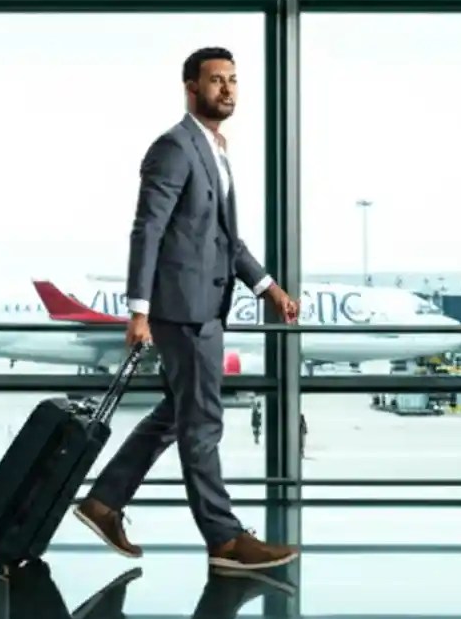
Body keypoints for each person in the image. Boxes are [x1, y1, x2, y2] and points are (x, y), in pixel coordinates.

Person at [73, 46, 301, 571]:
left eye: (233, 80)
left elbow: (227, 241)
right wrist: (138, 311)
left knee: (177, 414)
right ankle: (224, 539)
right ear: (191, 87)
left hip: (205, 307)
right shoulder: (174, 147)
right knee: (203, 424)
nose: (228, 89)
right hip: (183, 310)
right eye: (216, 80)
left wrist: (269, 288)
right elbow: (147, 229)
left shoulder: (215, 150)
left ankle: (103, 502)